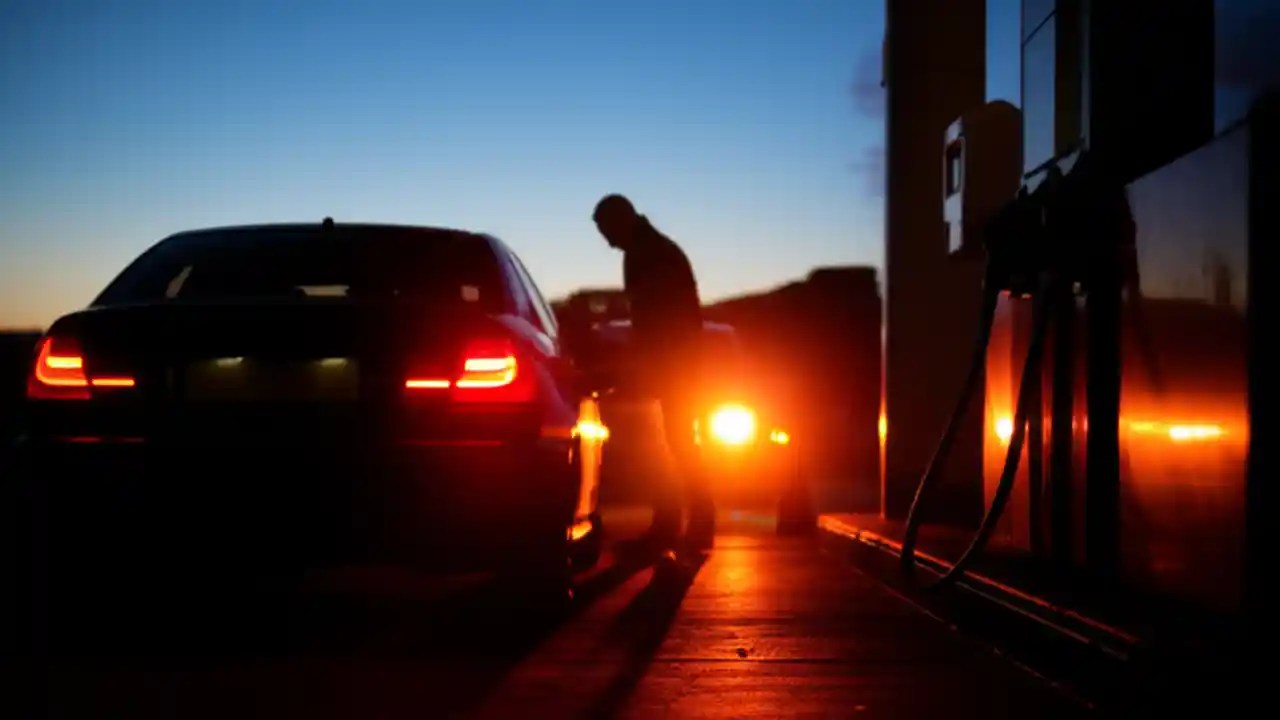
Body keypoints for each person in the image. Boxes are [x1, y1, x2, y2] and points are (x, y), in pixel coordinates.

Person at [593, 193, 715, 551]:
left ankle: (692, 522)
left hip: (674, 365)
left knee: (675, 444)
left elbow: (659, 319)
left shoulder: (650, 254)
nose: (606, 240)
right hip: (674, 364)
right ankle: (673, 523)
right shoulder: (648, 250)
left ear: (622, 220)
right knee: (670, 444)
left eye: (606, 230)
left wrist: (645, 364)